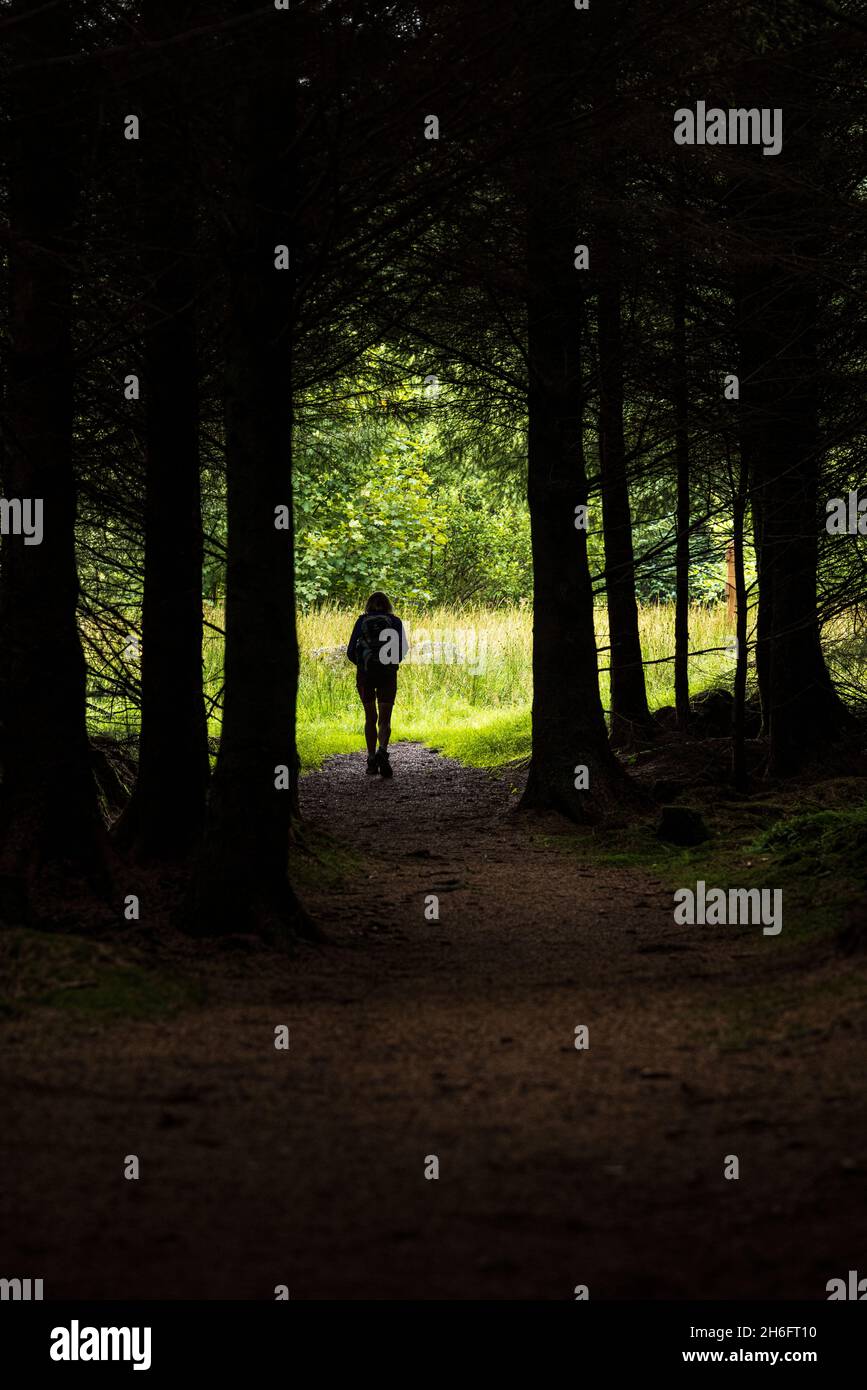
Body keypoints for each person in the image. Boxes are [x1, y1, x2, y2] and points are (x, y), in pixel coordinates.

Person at [347, 591, 408, 777]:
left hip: (366, 675)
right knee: (385, 718)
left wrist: (363, 665)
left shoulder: (361, 621)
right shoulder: (395, 621)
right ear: (388, 605)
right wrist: (390, 664)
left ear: (369, 604)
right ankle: (383, 751)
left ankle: (371, 759)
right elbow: (403, 649)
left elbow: (350, 651)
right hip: (387, 674)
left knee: (370, 717)